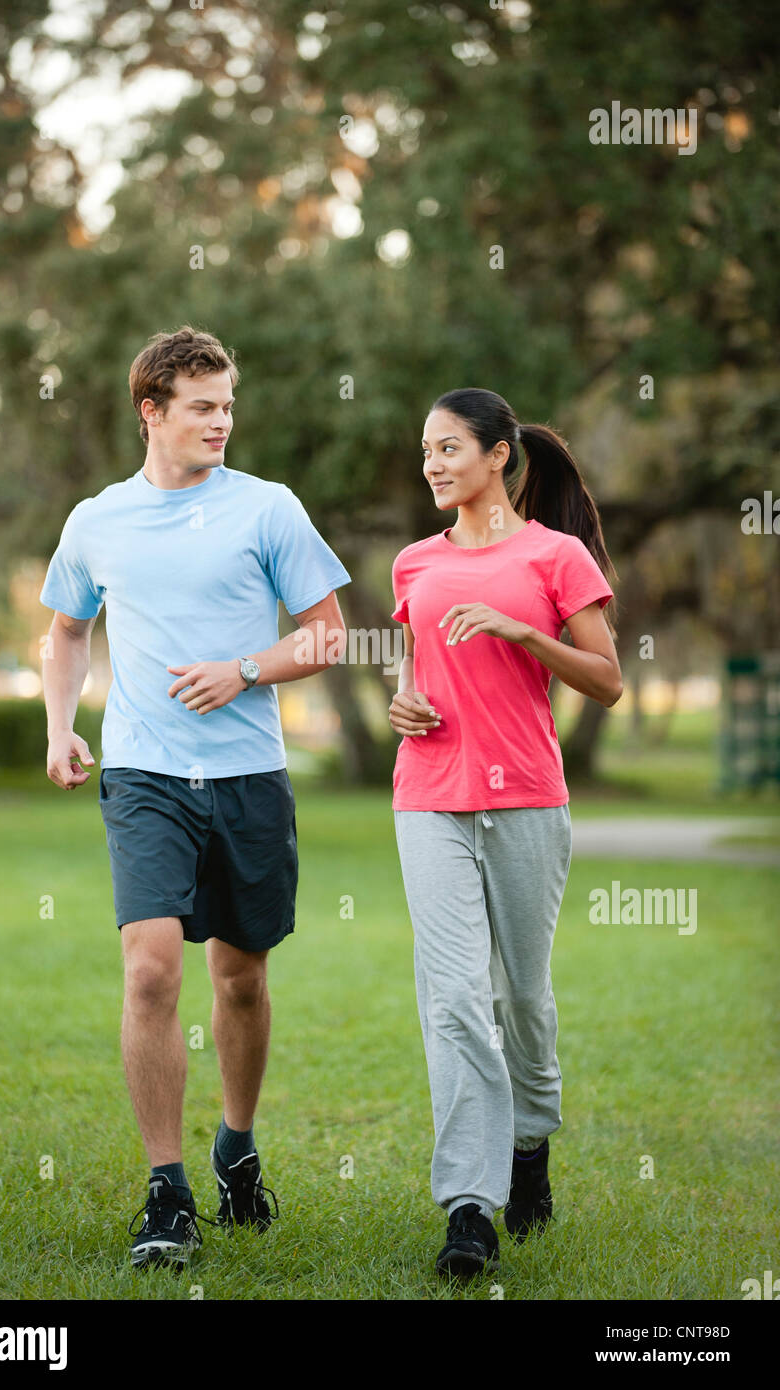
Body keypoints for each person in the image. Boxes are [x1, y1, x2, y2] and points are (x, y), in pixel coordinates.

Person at [39, 325, 351, 1268]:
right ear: (152, 410)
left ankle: (236, 1149)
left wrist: (244, 669)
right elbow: (64, 633)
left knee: (241, 980)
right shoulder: (97, 520)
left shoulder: (269, 509)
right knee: (150, 971)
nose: (222, 422)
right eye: (203, 407)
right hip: (145, 774)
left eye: (228, 406)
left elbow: (328, 634)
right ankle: (166, 1191)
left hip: (251, 777)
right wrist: (59, 725)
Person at [389, 388, 622, 1279]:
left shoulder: (556, 556)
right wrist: (400, 701)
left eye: (449, 448)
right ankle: (470, 1206)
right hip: (429, 798)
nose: (433, 464)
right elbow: (412, 671)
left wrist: (525, 632)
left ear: (499, 455)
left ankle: (530, 1150)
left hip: (526, 798)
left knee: (521, 996)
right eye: (425, 451)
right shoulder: (413, 563)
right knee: (453, 1002)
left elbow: (605, 680)